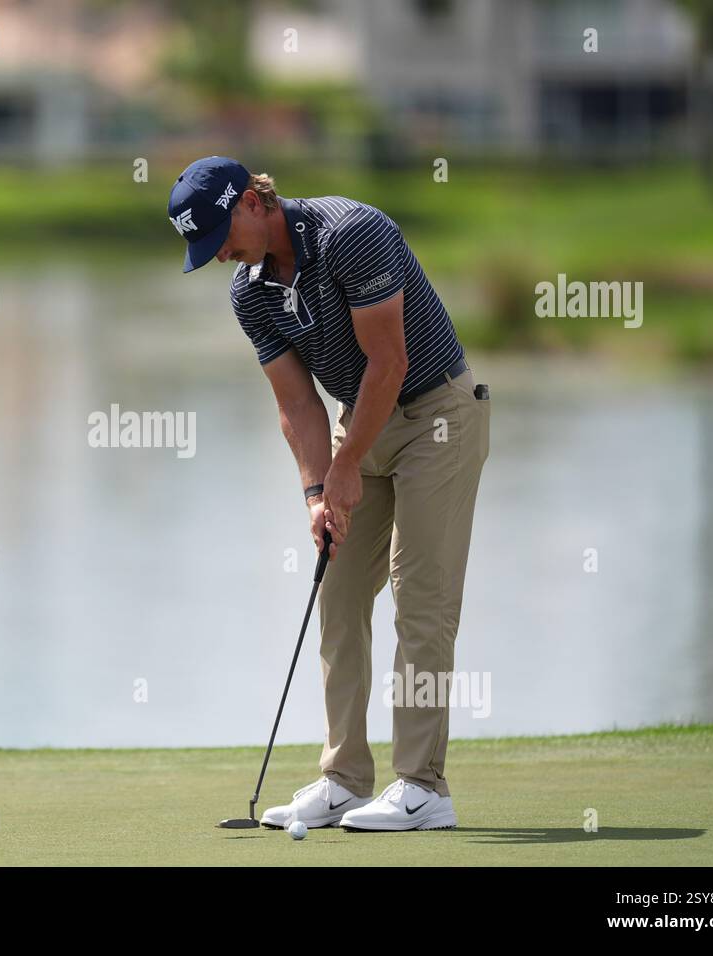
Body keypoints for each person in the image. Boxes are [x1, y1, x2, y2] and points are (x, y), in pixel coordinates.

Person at [169, 156, 490, 831]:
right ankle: (344, 777)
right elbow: (297, 404)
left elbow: (390, 362)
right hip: (358, 427)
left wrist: (346, 466)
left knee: (420, 599)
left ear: (253, 201)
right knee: (337, 593)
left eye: (220, 234)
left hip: (436, 417)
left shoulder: (351, 234)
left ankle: (424, 787)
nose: (220, 253)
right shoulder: (248, 292)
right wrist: (319, 491)